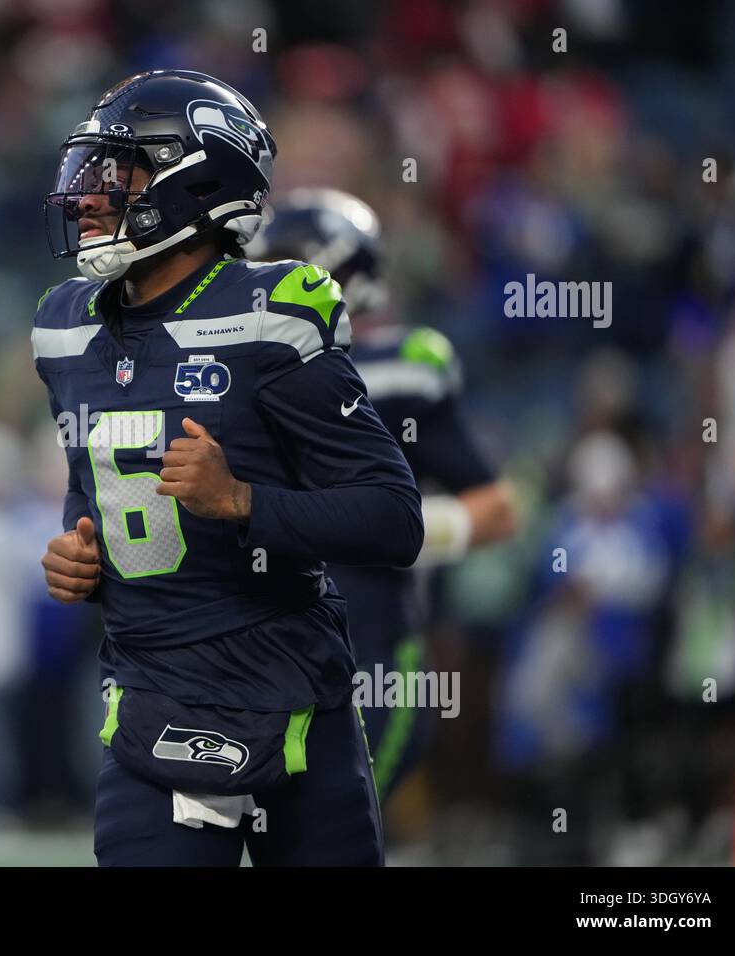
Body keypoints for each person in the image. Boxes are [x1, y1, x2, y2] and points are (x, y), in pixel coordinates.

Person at [34, 70, 423, 866]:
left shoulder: (270, 315)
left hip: (293, 700)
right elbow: (97, 498)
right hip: (154, 700)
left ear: (196, 180)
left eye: (122, 173)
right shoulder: (66, 327)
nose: (94, 197)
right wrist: (80, 558)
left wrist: (240, 499)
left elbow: (392, 519)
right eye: (93, 173)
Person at [249, 188, 517, 803]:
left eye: (276, 261)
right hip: (255, 636)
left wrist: (383, 526)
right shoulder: (233, 359)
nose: (256, 278)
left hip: (365, 639)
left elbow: (498, 507)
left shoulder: (402, 364)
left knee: (339, 822)